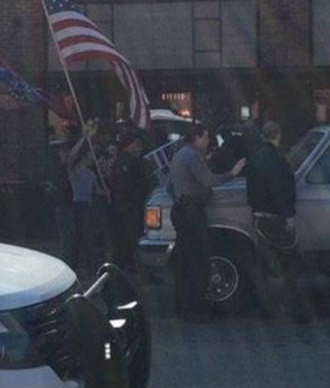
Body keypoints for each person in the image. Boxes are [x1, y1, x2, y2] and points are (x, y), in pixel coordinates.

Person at [167, 123, 246, 321]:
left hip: (181, 209)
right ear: (197, 137)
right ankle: (195, 310)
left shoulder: (180, 155)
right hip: (192, 211)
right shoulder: (193, 156)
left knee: (185, 261)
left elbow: (170, 185)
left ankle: (183, 306)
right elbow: (209, 180)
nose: (208, 140)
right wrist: (233, 173)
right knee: (198, 260)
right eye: (206, 136)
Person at [245, 121, 309, 323]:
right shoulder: (277, 159)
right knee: (290, 264)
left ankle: (264, 310)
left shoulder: (255, 157)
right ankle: (294, 311)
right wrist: (289, 214)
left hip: (259, 216)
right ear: (278, 135)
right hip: (276, 217)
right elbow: (280, 187)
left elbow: (250, 186)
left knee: (265, 266)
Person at [110, 129, 150, 285]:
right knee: (133, 241)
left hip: (126, 207)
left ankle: (123, 272)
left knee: (124, 243)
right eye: (136, 143)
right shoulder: (127, 162)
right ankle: (139, 273)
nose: (139, 147)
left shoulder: (126, 161)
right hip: (130, 208)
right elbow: (130, 187)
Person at [66, 134, 107, 280]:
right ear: (84, 156)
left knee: (89, 238)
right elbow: (71, 156)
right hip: (78, 207)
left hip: (88, 207)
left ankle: (91, 268)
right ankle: (72, 267)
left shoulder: (92, 174)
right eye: (90, 154)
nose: (92, 157)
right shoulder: (75, 170)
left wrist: (105, 192)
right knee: (77, 239)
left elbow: (96, 191)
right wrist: (83, 139)